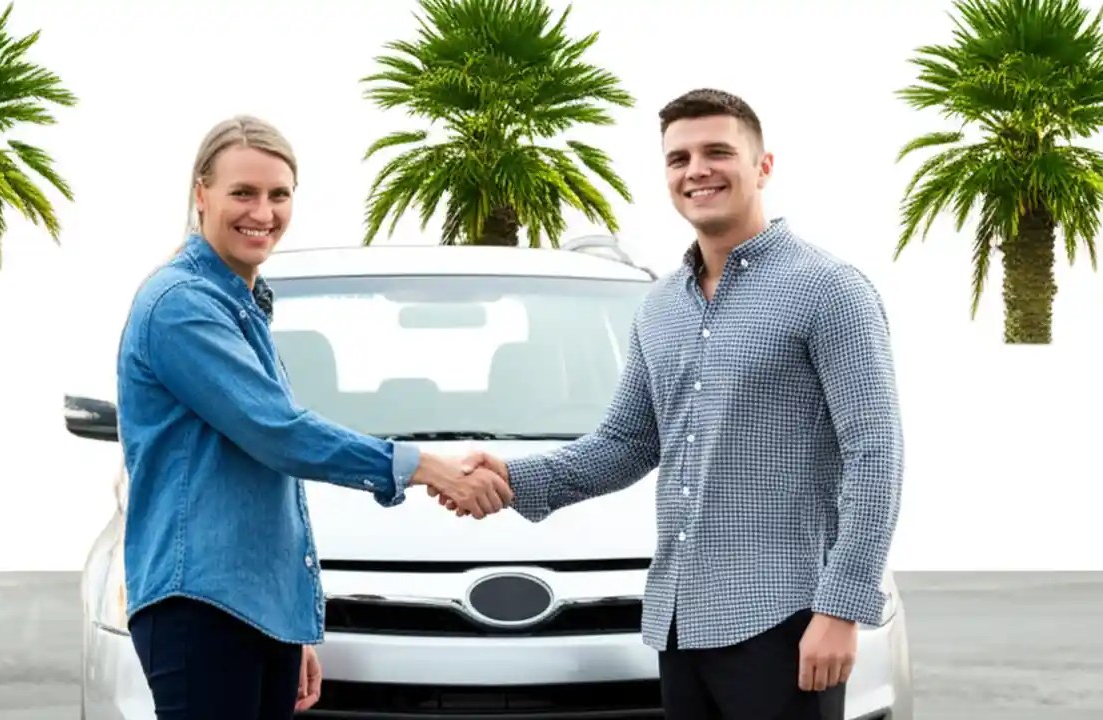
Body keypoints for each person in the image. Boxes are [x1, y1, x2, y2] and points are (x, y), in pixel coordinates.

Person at [440, 89, 904, 719]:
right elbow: (625, 444)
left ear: (763, 166)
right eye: (679, 158)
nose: (697, 171)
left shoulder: (829, 290)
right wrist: (510, 478)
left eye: (718, 152)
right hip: (680, 622)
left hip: (786, 618)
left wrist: (841, 607)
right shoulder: (660, 306)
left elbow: (875, 454)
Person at [115, 114, 512, 719]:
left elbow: (265, 484)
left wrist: (291, 620)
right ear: (201, 194)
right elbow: (279, 433)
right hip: (201, 609)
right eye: (243, 192)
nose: (263, 212)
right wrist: (425, 466)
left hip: (255, 611)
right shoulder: (180, 305)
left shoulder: (242, 304)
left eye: (279, 194)